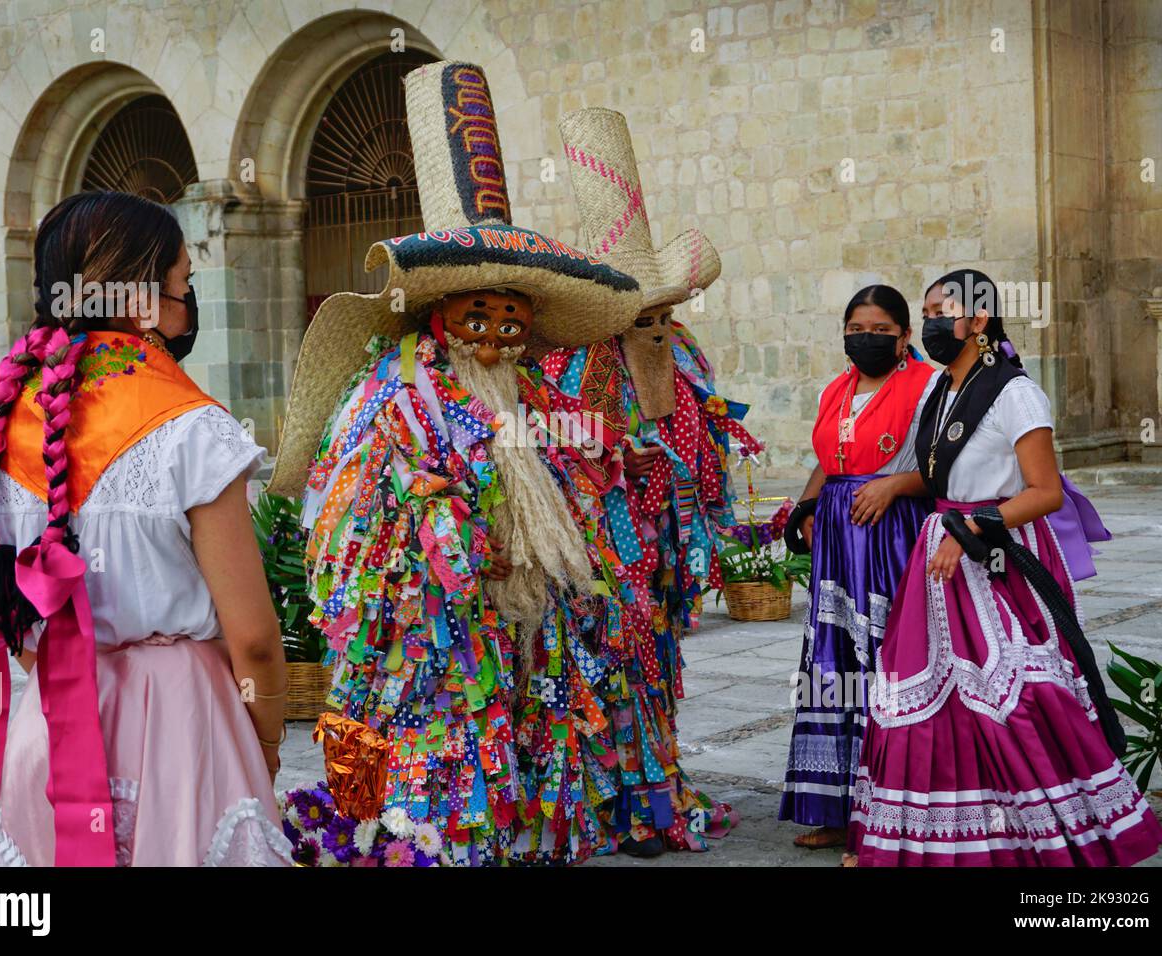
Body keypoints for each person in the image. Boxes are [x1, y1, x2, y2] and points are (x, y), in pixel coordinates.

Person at [266, 61, 642, 865]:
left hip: (518, 631)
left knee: (502, 756)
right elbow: (355, 531)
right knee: (429, 751)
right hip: (427, 638)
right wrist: (458, 553)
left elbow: (579, 491)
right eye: (481, 316)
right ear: (439, 316)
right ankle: (407, 838)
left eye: (515, 323)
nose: (499, 336)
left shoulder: (532, 400)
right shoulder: (390, 402)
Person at [0, 191, 290, 866]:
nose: (188, 303)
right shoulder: (194, 433)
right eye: (184, 285)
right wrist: (261, 745)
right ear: (145, 300)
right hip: (189, 735)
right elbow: (256, 641)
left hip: (56, 727)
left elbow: (7, 611)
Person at [847, 269, 1162, 866]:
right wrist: (896, 483)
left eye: (943, 312)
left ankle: (1043, 837)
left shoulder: (1015, 392)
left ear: (980, 319)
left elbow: (1044, 491)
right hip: (940, 558)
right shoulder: (942, 391)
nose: (934, 324)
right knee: (923, 696)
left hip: (995, 557)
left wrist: (970, 530)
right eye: (929, 313)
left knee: (1011, 694)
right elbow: (943, 475)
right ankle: (947, 842)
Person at [544, 107, 762, 856]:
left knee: (657, 665)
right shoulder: (568, 364)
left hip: (663, 554)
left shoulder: (685, 354)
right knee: (606, 670)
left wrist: (689, 479)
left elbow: (706, 437)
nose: (660, 323)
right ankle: (618, 802)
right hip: (599, 560)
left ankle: (655, 783)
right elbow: (541, 437)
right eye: (645, 312)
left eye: (666, 309)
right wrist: (607, 460)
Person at [778, 284, 938, 850]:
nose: (865, 339)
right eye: (856, 329)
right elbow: (826, 462)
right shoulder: (836, 391)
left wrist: (894, 484)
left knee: (884, 663)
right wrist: (806, 507)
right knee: (831, 662)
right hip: (837, 544)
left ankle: (882, 820)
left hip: (891, 536)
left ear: (904, 337)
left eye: (880, 331)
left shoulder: (927, 387)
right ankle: (833, 808)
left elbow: (947, 467)